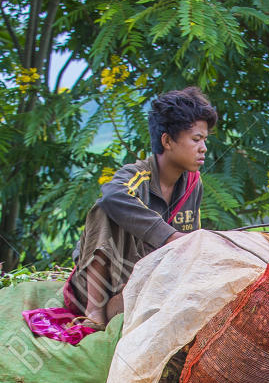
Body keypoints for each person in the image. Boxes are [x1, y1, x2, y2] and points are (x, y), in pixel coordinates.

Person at [65, 85, 218, 328]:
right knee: (106, 208)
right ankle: (94, 312)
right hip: (109, 284)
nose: (204, 148)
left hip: (147, 283)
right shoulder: (137, 176)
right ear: (167, 141)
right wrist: (169, 237)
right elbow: (112, 194)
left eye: (205, 140)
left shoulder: (193, 183)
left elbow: (189, 239)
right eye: (196, 139)